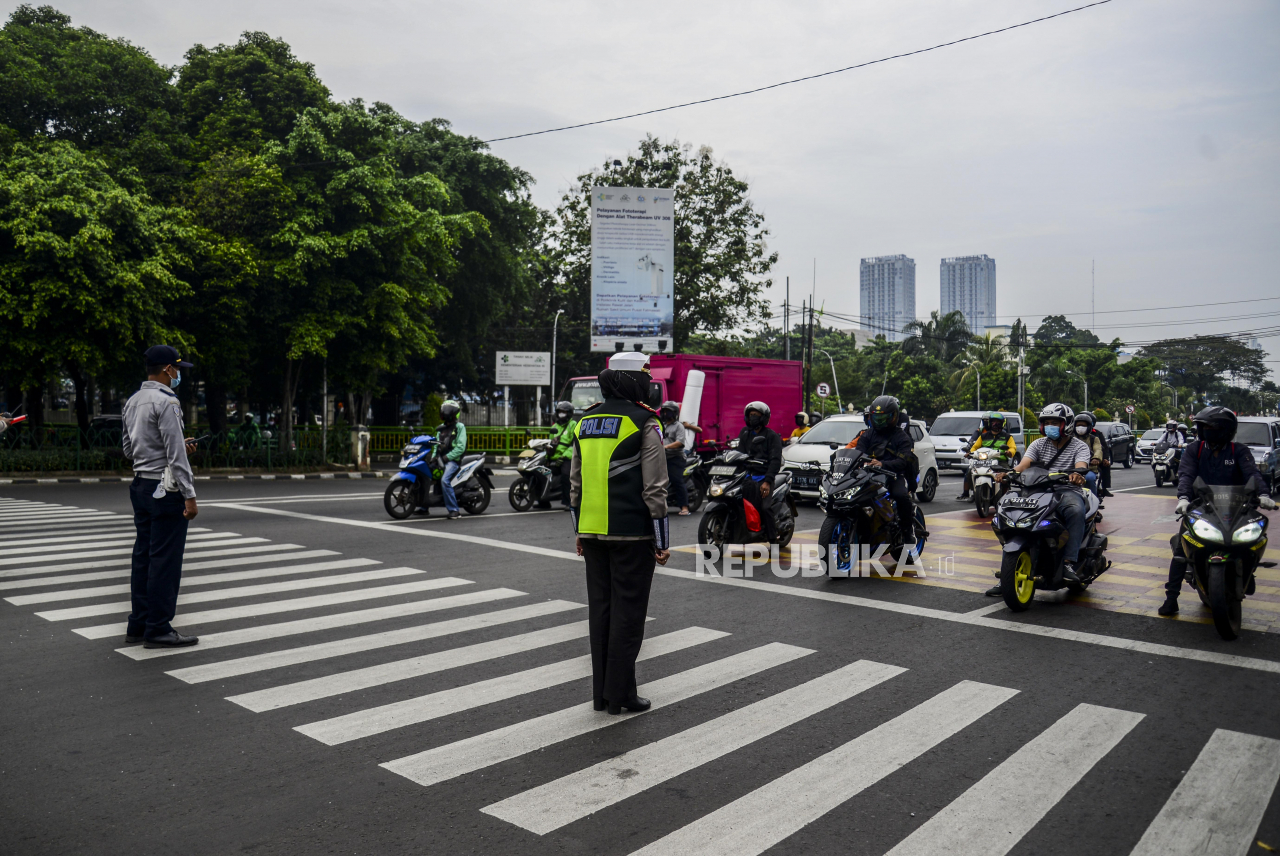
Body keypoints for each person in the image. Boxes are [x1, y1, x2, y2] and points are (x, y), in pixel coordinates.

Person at [570, 351, 670, 715]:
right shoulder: (645, 422)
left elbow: (576, 485)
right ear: (631, 380)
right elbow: (655, 488)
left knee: (602, 614)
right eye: (644, 377)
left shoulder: (586, 420)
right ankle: (622, 696)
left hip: (593, 532)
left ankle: (604, 696)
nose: (648, 383)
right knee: (628, 617)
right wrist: (661, 539)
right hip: (631, 533)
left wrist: (579, 531)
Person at [1158, 406, 1276, 616]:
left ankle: (1248, 573)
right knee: (1181, 550)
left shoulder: (1238, 451)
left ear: (1224, 429)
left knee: (1253, 540)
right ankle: (1171, 598)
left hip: (1236, 508)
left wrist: (1264, 494)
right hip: (1199, 508)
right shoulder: (1195, 450)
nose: (1203, 431)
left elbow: (1252, 474)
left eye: (1208, 427)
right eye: (1202, 427)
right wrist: (1184, 498)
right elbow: (1186, 474)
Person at [121, 346, 200, 648]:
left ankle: (138, 625)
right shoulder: (167, 402)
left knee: (143, 557)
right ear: (167, 369)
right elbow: (176, 454)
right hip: (165, 492)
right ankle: (158, 628)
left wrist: (160, 450)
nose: (179, 375)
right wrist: (189, 496)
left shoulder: (132, 402)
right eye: (178, 370)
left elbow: (129, 450)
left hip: (140, 486)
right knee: (165, 561)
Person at [987, 402, 1091, 596]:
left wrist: (1077, 474)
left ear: (1066, 424)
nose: (1050, 426)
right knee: (1005, 509)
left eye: (1055, 422)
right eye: (1047, 422)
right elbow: (1024, 465)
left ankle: (1069, 562)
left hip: (1066, 490)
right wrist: (1008, 474)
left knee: (1075, 511)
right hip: (1037, 489)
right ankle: (1009, 572)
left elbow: (1081, 464)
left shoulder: (1080, 446)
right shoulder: (1037, 444)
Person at [845, 395, 916, 535]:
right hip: (868, 474)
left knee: (900, 495)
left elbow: (903, 461)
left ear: (894, 417)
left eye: (884, 418)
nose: (880, 422)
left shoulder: (902, 437)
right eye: (876, 418)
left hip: (893, 475)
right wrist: (860, 461)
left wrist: (882, 464)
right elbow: (858, 451)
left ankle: (908, 530)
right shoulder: (867, 435)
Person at [736, 401, 784, 539]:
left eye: (756, 415)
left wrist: (767, 482)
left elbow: (775, 460)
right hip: (747, 477)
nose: (752, 418)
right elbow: (740, 454)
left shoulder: (771, 436)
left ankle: (772, 541)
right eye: (750, 415)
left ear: (763, 417)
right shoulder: (745, 434)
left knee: (765, 508)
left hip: (763, 477)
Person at [436, 400, 467, 519]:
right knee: (427, 474)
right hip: (441, 460)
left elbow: (460, 448)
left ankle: (454, 510)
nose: (445, 413)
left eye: (447, 411)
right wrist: (434, 457)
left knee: (444, 480)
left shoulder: (460, 427)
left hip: (453, 461)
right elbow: (435, 445)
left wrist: (446, 457)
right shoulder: (441, 429)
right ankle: (424, 507)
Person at [659, 401, 690, 516]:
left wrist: (666, 446)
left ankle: (685, 507)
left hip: (675, 458)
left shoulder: (679, 426)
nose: (665, 413)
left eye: (668, 411)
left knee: (677, 480)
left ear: (674, 413)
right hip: (662, 457)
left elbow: (680, 442)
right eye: (664, 411)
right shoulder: (661, 425)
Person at [548, 401, 577, 508]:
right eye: (560, 411)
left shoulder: (573, 425)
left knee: (566, 475)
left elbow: (573, 444)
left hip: (566, 457)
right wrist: (547, 457)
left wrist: (563, 456)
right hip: (553, 457)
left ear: (569, 413)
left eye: (564, 412)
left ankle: (568, 501)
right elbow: (550, 442)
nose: (561, 413)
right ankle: (543, 501)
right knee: (541, 472)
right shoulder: (555, 426)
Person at [1072, 412, 1107, 497]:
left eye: (1083, 425)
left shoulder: (1094, 439)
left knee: (1089, 478)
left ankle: (1093, 501)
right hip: (1071, 468)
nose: (1080, 427)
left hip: (1089, 469)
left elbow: (1098, 449)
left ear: (1089, 427)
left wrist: (1096, 459)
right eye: (1078, 425)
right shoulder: (1069, 438)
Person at [954, 418, 990, 501]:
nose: (986, 422)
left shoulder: (998, 433)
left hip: (992, 457)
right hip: (980, 456)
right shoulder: (979, 431)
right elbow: (972, 442)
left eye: (988, 420)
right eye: (985, 420)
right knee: (969, 471)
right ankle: (970, 493)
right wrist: (969, 450)